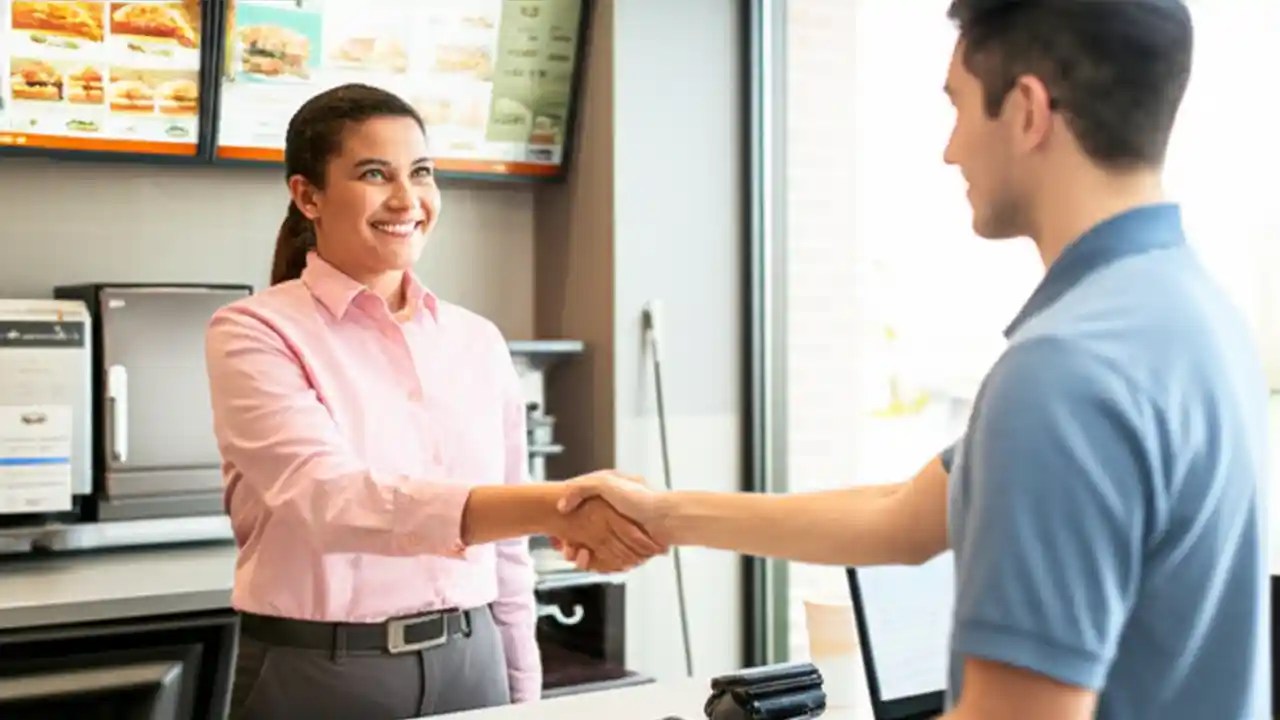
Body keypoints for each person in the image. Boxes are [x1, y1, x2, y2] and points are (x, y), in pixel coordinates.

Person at [557, 2, 1270, 719]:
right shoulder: (1191, 315)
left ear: (1026, 112)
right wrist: (663, 516)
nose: (950, 149)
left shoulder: (1064, 373)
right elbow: (899, 519)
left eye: (958, 106)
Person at [204, 83, 663, 720]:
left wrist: (521, 694)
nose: (406, 199)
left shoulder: (476, 340)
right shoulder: (253, 330)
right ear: (308, 195)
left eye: (420, 172)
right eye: (373, 173)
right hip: (321, 672)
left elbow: (507, 556)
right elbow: (328, 498)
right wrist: (559, 507)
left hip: (471, 664)